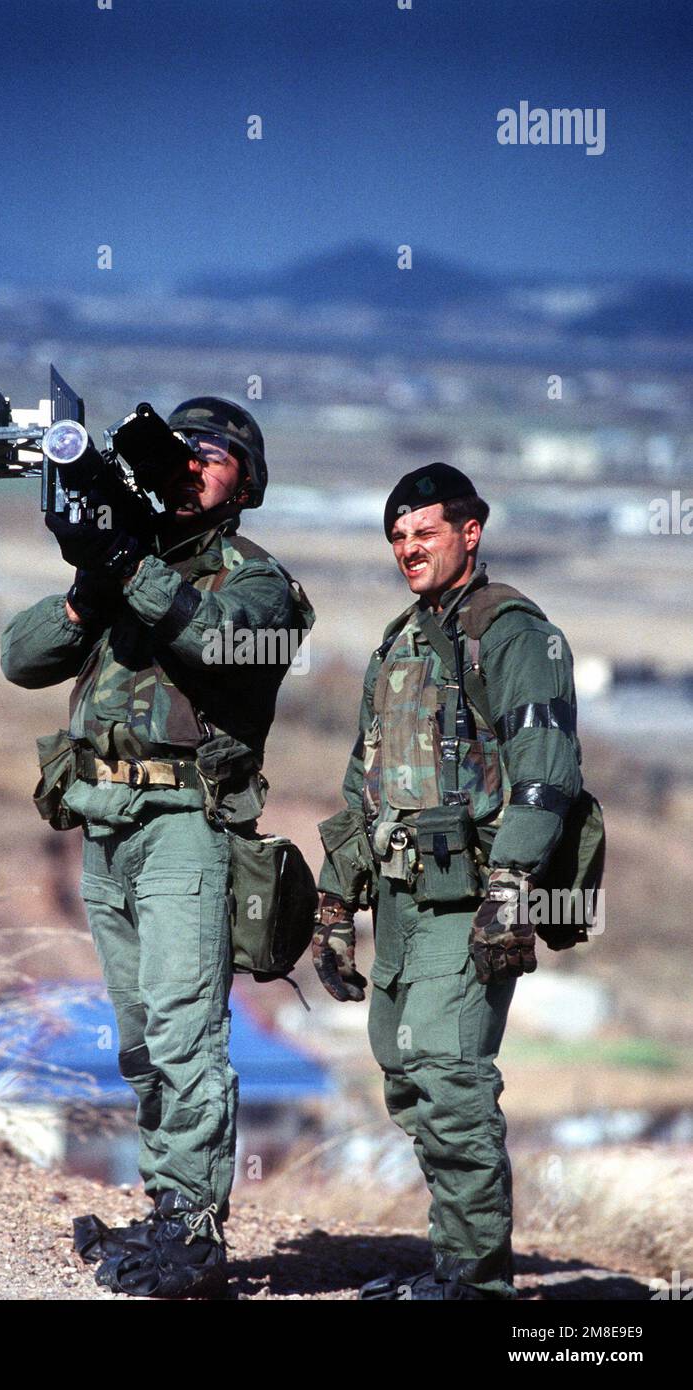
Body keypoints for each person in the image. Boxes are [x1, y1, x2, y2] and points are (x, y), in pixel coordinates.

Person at [0, 397, 313, 1299]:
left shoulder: (257, 583)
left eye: (212, 457)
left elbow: (220, 646)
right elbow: (20, 658)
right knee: (139, 1040)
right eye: (180, 451)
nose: (191, 466)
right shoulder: (130, 565)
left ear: (243, 484)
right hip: (104, 822)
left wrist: (130, 567)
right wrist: (86, 587)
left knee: (185, 1030)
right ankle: (167, 1204)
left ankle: (197, 1230)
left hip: (187, 828)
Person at [312, 462, 584, 1301]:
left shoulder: (511, 634)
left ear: (471, 532)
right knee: (404, 1069)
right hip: (398, 898)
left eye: (423, 531)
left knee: (450, 1075)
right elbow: (366, 782)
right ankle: (453, 1266)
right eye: (397, 536)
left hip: (470, 897)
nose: (407, 548)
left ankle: (476, 1284)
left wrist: (510, 888)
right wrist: (333, 900)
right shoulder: (398, 642)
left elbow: (546, 775)